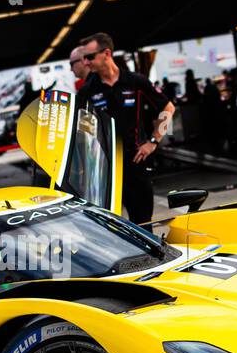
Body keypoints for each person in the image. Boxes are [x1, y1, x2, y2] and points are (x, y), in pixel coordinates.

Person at [75, 31, 175, 224]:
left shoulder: (135, 81)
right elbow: (81, 131)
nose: (86, 62)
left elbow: (168, 108)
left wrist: (153, 141)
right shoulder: (87, 91)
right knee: (107, 226)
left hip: (135, 163)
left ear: (106, 54)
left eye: (89, 57)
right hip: (105, 168)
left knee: (144, 222)